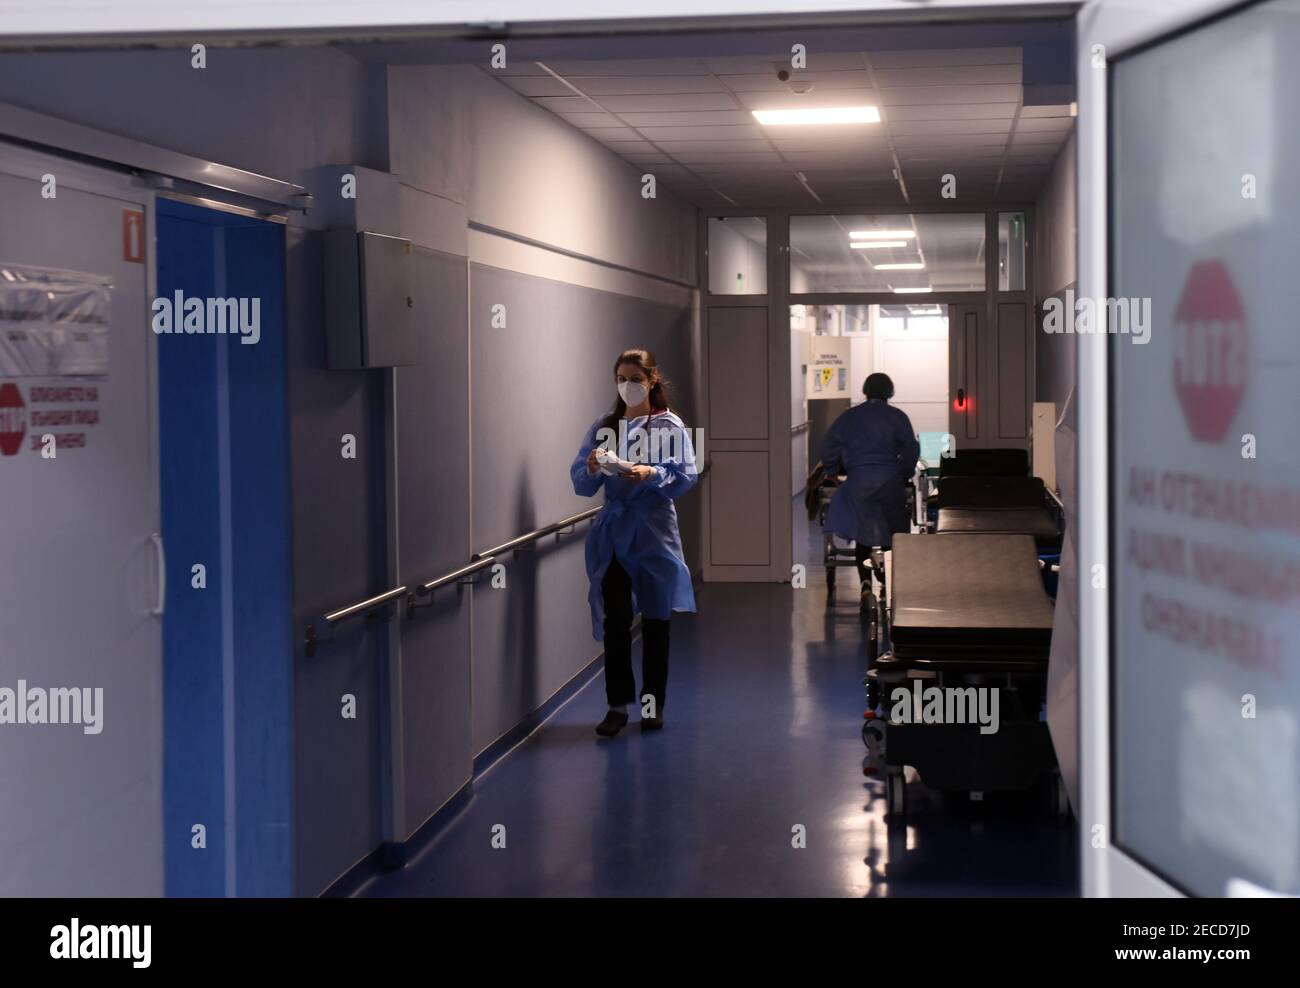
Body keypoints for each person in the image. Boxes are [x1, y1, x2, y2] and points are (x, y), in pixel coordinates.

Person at [570, 348, 698, 737]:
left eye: (635, 379)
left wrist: (652, 472)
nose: (628, 386)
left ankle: (651, 705)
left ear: (652, 380)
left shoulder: (669, 426)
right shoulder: (604, 424)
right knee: (616, 621)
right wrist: (592, 466)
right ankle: (616, 706)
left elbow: (685, 474)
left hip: (654, 531)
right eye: (621, 379)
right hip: (614, 533)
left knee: (657, 620)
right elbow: (580, 478)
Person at [820, 372, 920, 583]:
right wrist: (904, 473)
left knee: (862, 535)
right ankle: (887, 580)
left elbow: (828, 446)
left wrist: (831, 471)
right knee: (892, 534)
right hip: (890, 482)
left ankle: (865, 584)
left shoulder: (849, 417)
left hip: (859, 482)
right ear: (890, 391)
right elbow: (911, 448)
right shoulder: (897, 417)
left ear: (865, 390)